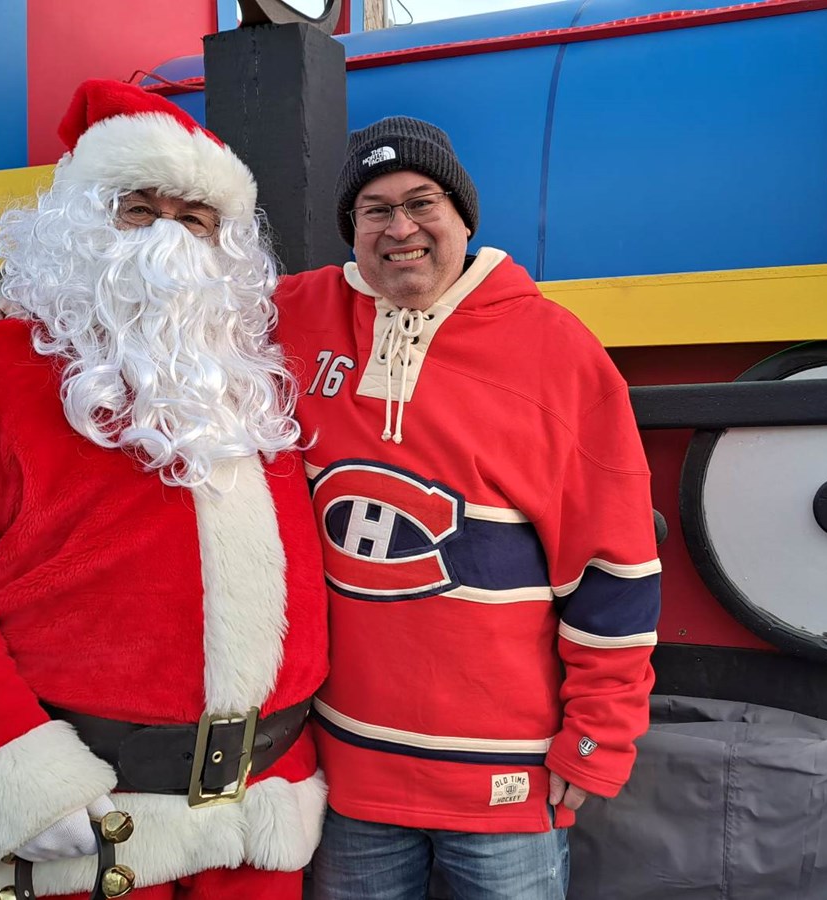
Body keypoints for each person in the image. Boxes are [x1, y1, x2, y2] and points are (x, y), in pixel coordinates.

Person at [0, 80, 328, 900]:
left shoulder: (251, 379)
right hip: (93, 835)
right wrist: (9, 777)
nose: (170, 236)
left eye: (196, 217)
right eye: (140, 209)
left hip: (263, 825)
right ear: (79, 228)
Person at [275, 117, 663, 899]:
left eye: (422, 203)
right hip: (348, 776)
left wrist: (596, 739)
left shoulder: (557, 351)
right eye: (375, 210)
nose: (401, 227)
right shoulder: (292, 320)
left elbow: (615, 566)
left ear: (464, 217)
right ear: (351, 229)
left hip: (507, 783)